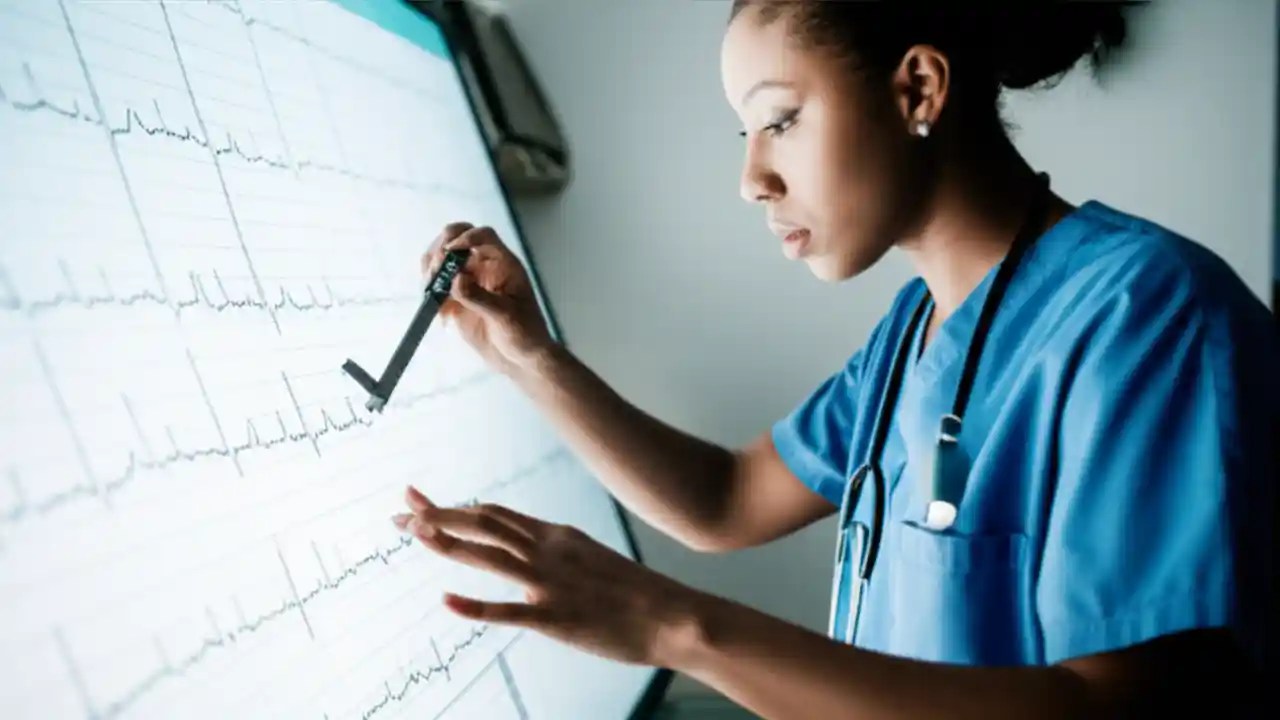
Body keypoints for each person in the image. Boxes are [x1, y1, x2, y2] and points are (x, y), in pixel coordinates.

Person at [390, 1, 1279, 717]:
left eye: (779, 119)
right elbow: (726, 500)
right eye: (745, 134)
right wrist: (529, 356)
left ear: (917, 89)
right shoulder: (908, 337)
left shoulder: (1149, 315)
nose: (752, 180)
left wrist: (673, 625)